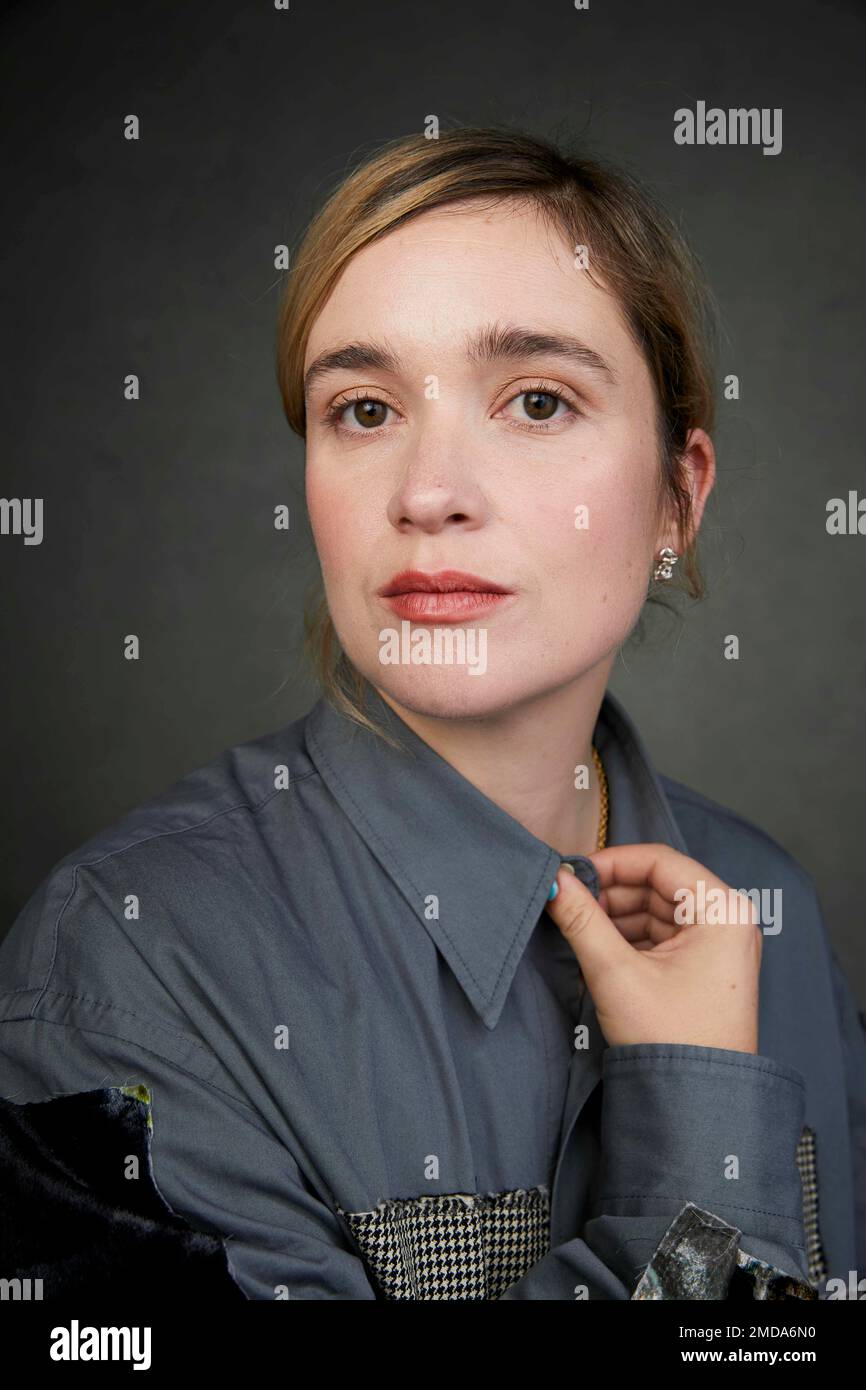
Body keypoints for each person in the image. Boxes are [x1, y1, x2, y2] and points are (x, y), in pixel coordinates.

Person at [1, 126, 863, 1301]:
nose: (427, 493)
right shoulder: (125, 961)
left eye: (538, 401)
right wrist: (699, 1138)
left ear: (677, 495)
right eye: (362, 410)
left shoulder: (773, 908)